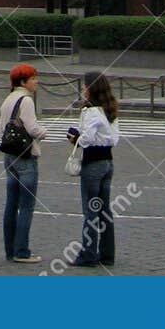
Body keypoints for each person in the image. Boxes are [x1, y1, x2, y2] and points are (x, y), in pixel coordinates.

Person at [67, 71, 120, 269]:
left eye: (84, 86)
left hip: (93, 164)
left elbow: (87, 139)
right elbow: (115, 139)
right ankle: (107, 254)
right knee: (105, 210)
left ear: (91, 89)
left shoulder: (90, 111)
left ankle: (88, 254)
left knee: (90, 210)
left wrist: (75, 139)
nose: (82, 90)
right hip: (108, 162)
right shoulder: (109, 109)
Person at [0, 62, 48, 265]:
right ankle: (22, 251)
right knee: (26, 206)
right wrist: (45, 132)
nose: (36, 81)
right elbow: (32, 128)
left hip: (9, 156)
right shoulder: (26, 101)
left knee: (11, 204)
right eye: (33, 78)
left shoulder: (8, 99)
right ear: (23, 81)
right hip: (26, 157)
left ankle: (10, 250)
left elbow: (2, 129)